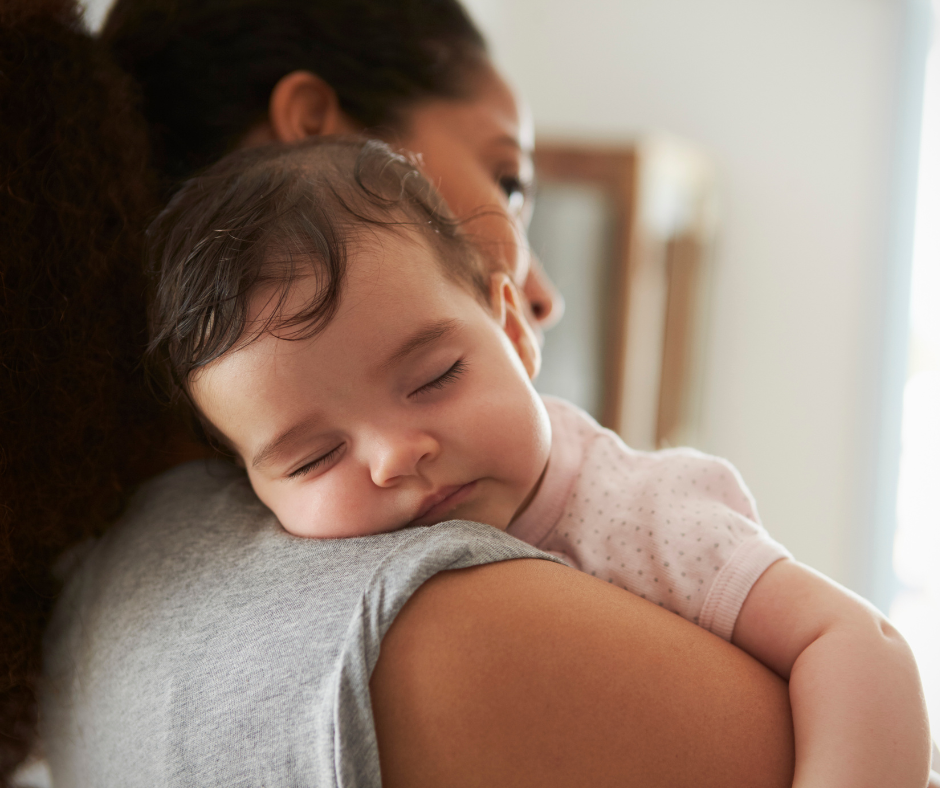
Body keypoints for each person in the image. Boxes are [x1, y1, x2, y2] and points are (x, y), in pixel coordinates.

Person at [3, 1, 802, 785]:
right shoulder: (438, 626)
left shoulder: (91, 609)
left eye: (433, 377)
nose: (545, 297)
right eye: (509, 180)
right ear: (321, 128)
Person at [144, 136, 933, 788]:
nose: (392, 458)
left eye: (434, 378)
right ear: (250, 486)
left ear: (514, 332)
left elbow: (858, 643)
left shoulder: (642, 511)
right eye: (316, 458)